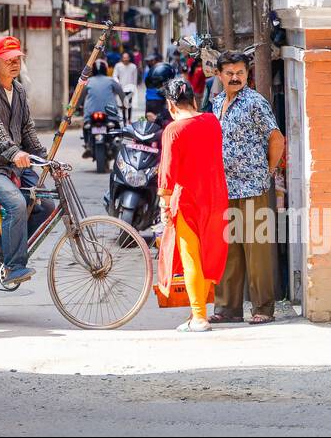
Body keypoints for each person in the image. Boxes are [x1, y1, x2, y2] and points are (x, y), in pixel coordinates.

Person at [0, 36, 52, 287]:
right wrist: (14, 153)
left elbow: (27, 129)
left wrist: (46, 160)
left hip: (13, 165)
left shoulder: (19, 90)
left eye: (17, 60)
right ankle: (13, 265)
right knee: (15, 203)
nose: (14, 64)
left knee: (46, 205)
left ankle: (2, 245)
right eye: (8, 60)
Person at [210, 51, 284, 325]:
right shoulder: (216, 103)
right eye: (229, 73)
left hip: (253, 187)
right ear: (219, 75)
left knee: (257, 252)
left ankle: (263, 308)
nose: (235, 77)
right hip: (224, 188)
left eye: (240, 72)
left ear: (247, 74)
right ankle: (228, 308)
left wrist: (268, 170)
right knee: (228, 251)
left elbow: (276, 138)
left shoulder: (254, 102)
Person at [157, 77, 229, 332]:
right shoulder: (212, 122)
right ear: (194, 99)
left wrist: (165, 207)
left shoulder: (173, 131)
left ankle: (199, 316)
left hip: (188, 200)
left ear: (170, 104)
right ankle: (197, 313)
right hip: (217, 196)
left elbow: (167, 174)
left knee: (191, 258)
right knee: (209, 254)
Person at [81, 60, 126, 157]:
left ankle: (88, 144)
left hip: (90, 114)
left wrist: (78, 107)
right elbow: (121, 94)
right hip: (109, 114)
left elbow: (80, 97)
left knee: (86, 126)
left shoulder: (87, 82)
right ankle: (116, 142)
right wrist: (125, 104)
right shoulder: (111, 81)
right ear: (106, 69)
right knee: (117, 128)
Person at [113, 51, 140, 121]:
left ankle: (129, 119)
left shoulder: (133, 67)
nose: (125, 59)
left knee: (129, 105)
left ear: (129, 58)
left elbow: (135, 79)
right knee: (123, 105)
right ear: (122, 58)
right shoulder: (118, 66)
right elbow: (115, 76)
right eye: (124, 58)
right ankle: (125, 120)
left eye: (127, 57)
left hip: (130, 89)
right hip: (121, 89)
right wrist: (118, 84)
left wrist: (134, 89)